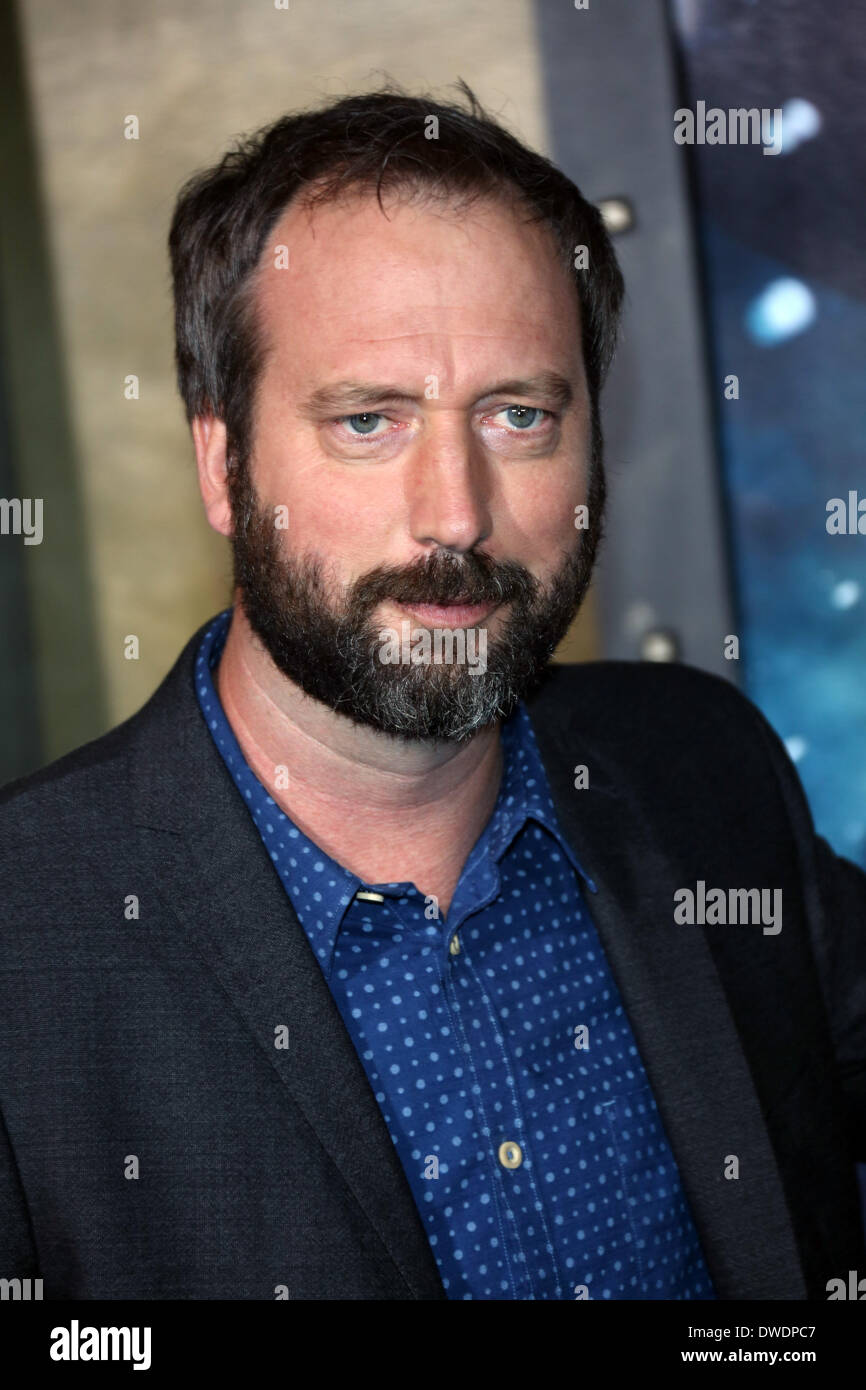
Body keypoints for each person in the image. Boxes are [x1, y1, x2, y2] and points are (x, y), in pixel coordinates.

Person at [1, 82, 864, 1302]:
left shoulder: (699, 767)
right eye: (367, 421)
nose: (455, 513)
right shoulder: (25, 941)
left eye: (519, 415)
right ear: (222, 461)